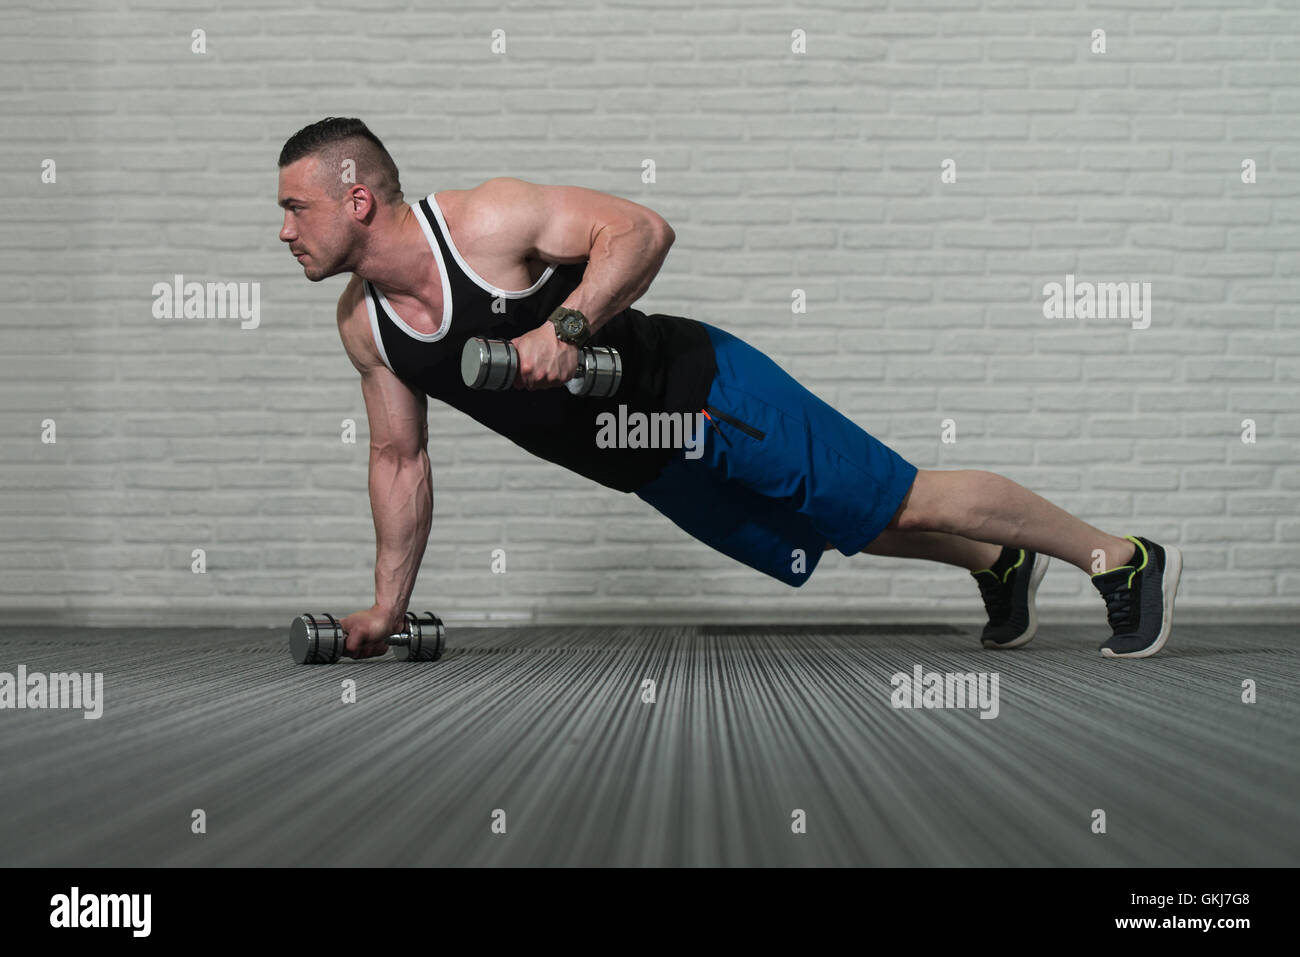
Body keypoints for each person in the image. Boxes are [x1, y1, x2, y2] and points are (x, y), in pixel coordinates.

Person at [276, 117, 1181, 662]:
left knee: (900, 492)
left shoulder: (487, 220)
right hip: (643, 463)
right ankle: (999, 562)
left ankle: (1119, 557)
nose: (283, 230)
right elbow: (400, 460)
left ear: (356, 199)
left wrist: (566, 325)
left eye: (295, 207)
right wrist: (388, 608)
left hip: (702, 391)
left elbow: (641, 230)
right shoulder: (367, 325)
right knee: (843, 524)